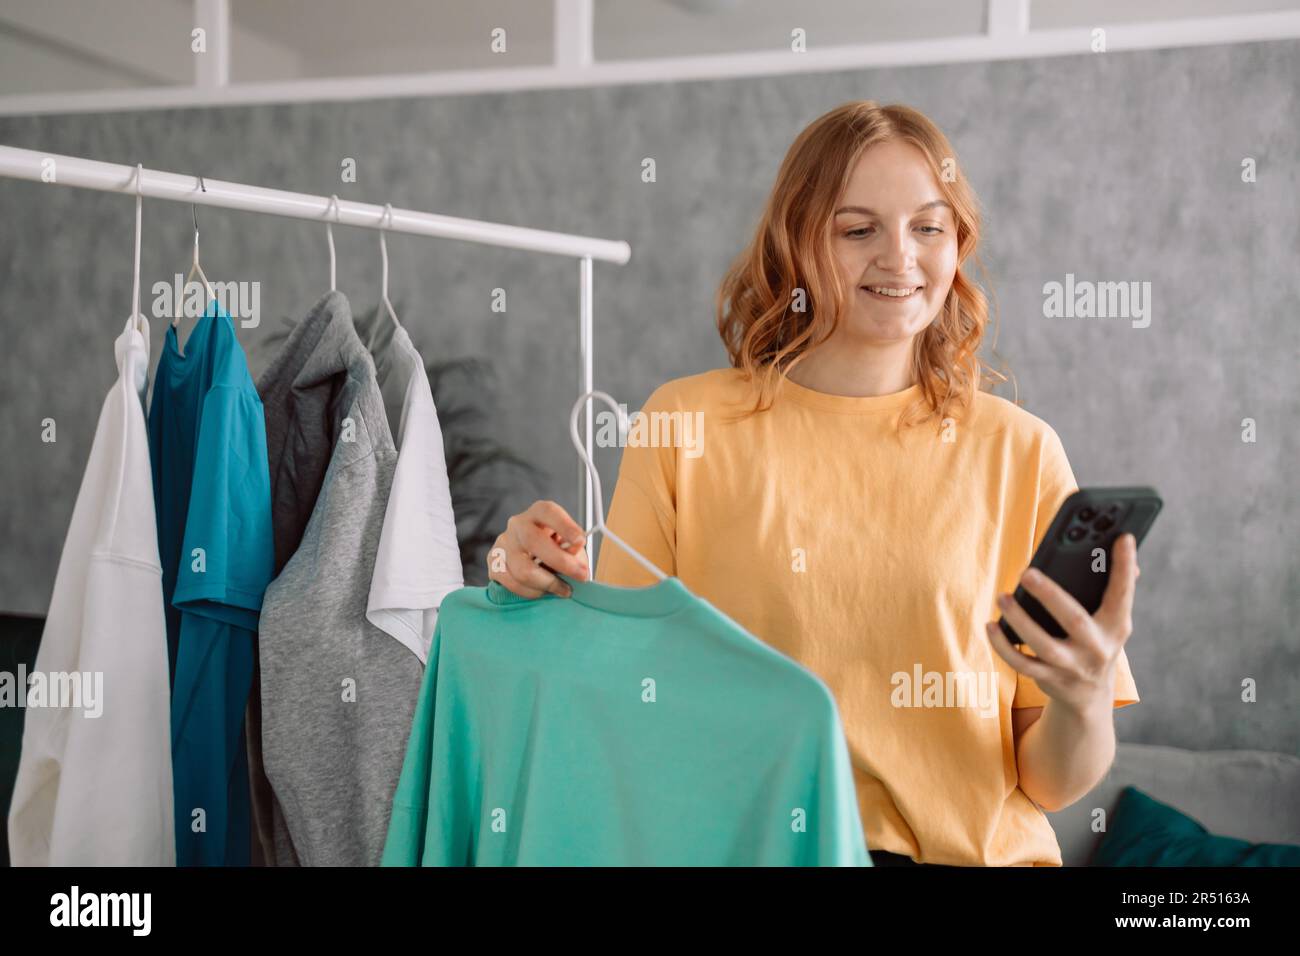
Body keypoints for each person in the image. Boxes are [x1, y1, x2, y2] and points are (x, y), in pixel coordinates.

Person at [488, 100, 1142, 867]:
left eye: (928, 227)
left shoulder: (1021, 451)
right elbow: (621, 698)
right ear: (797, 245)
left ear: (956, 244)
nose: (899, 258)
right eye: (857, 229)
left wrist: (1084, 695)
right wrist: (525, 581)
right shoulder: (685, 423)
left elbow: (1053, 782)